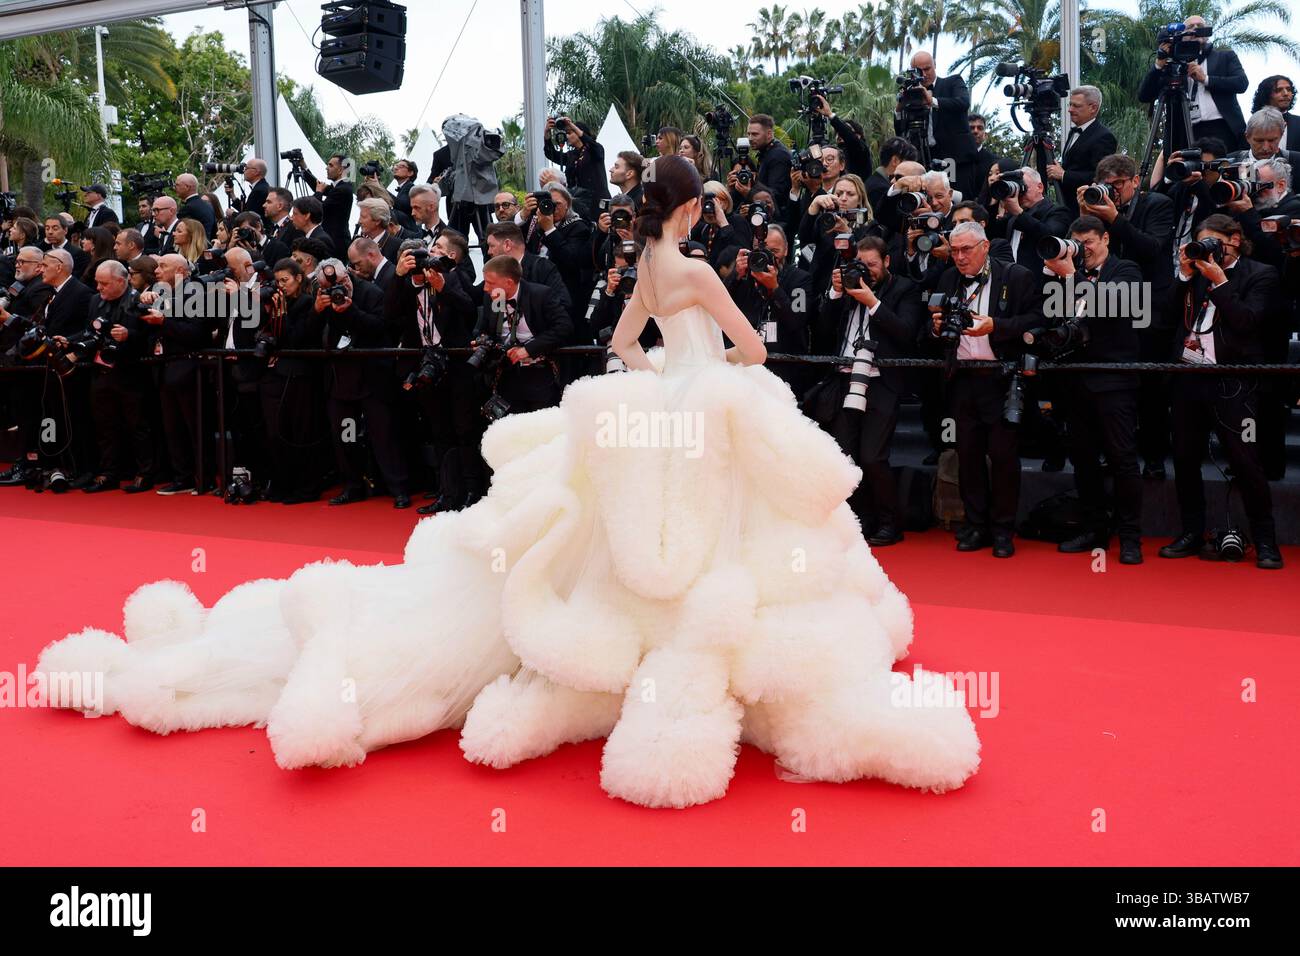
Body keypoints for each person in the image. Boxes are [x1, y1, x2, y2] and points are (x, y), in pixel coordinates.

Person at [41, 154, 980, 809]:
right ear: (694, 210)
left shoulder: (645, 271)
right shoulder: (693, 268)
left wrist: (665, 389)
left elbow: (618, 348)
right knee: (711, 552)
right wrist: (710, 387)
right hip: (706, 427)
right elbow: (755, 345)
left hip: (659, 417)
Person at [928, 221, 1044, 557]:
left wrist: (998, 327)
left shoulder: (1016, 276)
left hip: (1001, 378)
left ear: (985, 247)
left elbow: (1037, 321)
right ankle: (976, 525)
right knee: (969, 456)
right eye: (954, 251)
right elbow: (930, 328)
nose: (960, 257)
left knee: (1005, 457)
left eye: (966, 250)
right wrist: (936, 328)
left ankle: (1003, 530)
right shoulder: (948, 278)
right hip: (962, 379)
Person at [809, 235, 925, 545]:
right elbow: (821, 332)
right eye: (862, 264)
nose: (867, 271)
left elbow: (906, 333)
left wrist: (872, 302)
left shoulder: (904, 289)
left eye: (873, 264)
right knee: (846, 457)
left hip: (880, 382)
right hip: (844, 379)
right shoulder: (848, 286)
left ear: (887, 262)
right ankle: (859, 520)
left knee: (873, 457)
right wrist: (835, 293)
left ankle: (890, 522)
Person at [1137, 14, 1248, 151]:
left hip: (1223, 128)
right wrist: (1159, 65)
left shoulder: (1225, 57)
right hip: (1186, 133)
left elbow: (1242, 83)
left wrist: (1206, 79)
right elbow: (1144, 95)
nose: (1195, 29)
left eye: (1200, 27)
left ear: (1207, 34)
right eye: (1190, 27)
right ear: (1182, 35)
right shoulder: (1173, 65)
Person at [1047, 86, 1118, 216]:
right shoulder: (1073, 132)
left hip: (1085, 210)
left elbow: (1100, 177)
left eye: (1076, 106)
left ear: (1093, 108)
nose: (1069, 110)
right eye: (1070, 105)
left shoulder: (1104, 137)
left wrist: (1064, 175)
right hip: (1066, 206)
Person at [1251, 75, 1298, 151]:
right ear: (1266, 94)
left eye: (1289, 89)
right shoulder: (1252, 124)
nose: (1286, 93)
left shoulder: (1298, 122)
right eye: (1278, 90)